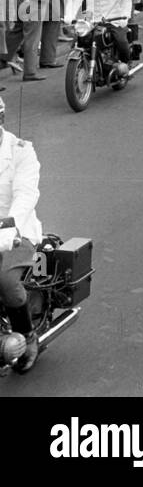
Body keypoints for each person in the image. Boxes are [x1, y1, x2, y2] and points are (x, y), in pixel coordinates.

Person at [0, 95, 41, 370]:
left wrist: (8, 228)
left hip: (16, 232)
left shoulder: (21, 151)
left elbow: (25, 195)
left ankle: (28, 336)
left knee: (4, 280)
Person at [63, 0, 134, 82]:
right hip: (92, 20)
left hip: (113, 19)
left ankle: (126, 65)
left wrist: (125, 16)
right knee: (80, 41)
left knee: (121, 41)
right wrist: (69, 16)